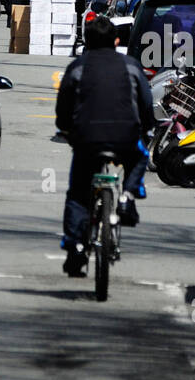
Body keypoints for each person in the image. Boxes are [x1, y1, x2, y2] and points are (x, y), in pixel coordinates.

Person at [55, 16, 155, 277]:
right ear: (117, 40)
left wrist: (66, 130)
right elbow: (146, 104)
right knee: (140, 156)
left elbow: (63, 110)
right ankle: (127, 196)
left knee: (78, 192)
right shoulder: (131, 66)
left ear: (86, 42)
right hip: (125, 137)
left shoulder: (77, 68)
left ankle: (76, 245)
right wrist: (146, 127)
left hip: (87, 139)